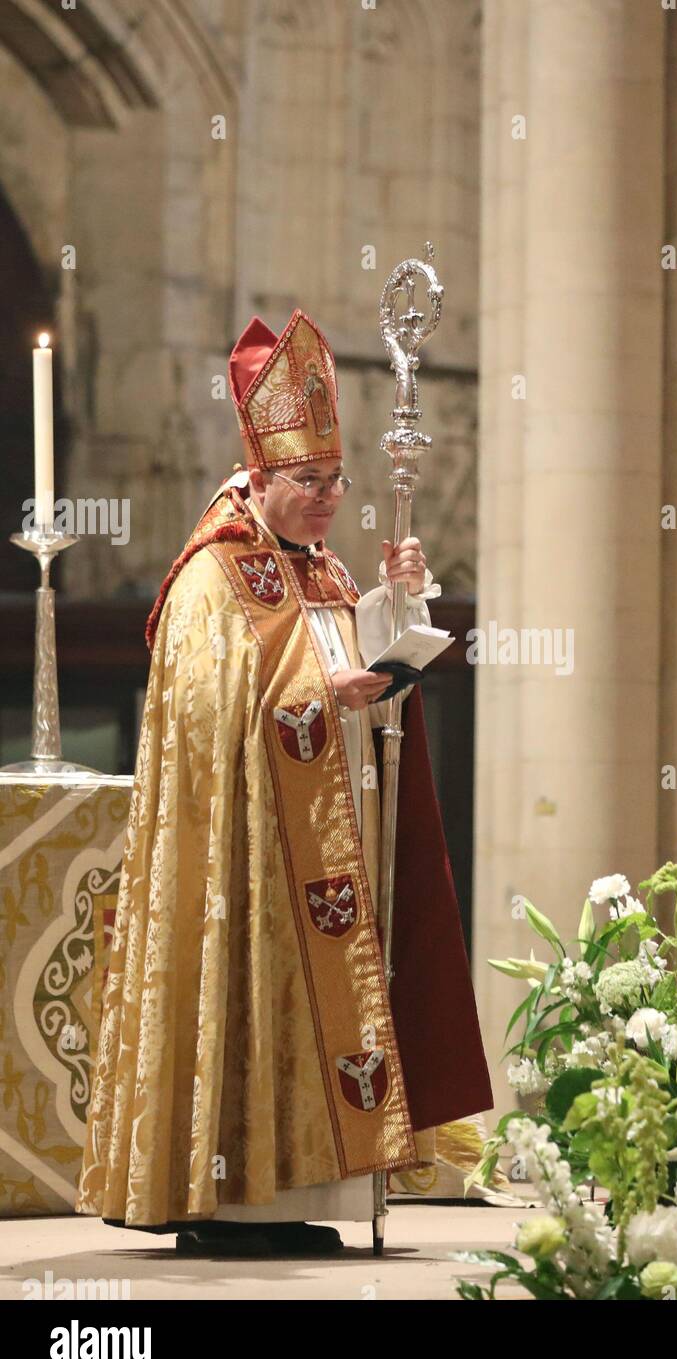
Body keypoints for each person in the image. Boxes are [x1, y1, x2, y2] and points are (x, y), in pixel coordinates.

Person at [76, 308, 493, 1255]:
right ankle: (235, 1204)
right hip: (249, 868)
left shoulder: (324, 568)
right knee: (256, 1009)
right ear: (258, 475)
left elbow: (367, 665)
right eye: (311, 481)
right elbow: (202, 723)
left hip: (333, 846)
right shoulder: (209, 581)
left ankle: (318, 1196)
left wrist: (399, 602)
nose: (330, 498)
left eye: (337, 481)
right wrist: (315, 700)